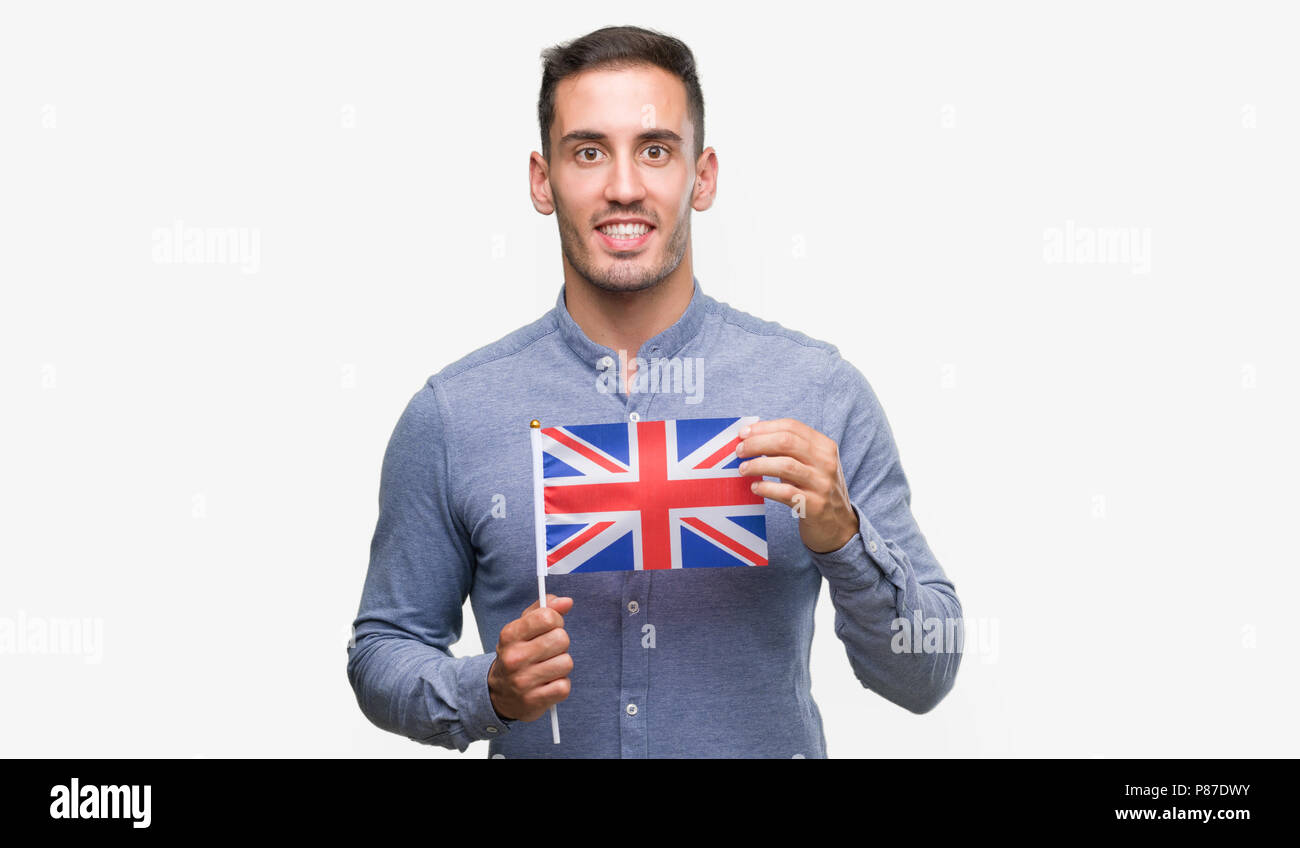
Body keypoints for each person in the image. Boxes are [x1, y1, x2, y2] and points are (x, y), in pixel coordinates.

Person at [346, 25, 962, 758]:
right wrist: (489, 691)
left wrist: (845, 537)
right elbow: (382, 649)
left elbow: (926, 673)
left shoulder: (819, 392)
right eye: (588, 151)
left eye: (656, 150)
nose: (625, 187)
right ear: (543, 181)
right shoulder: (454, 414)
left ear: (702, 178)